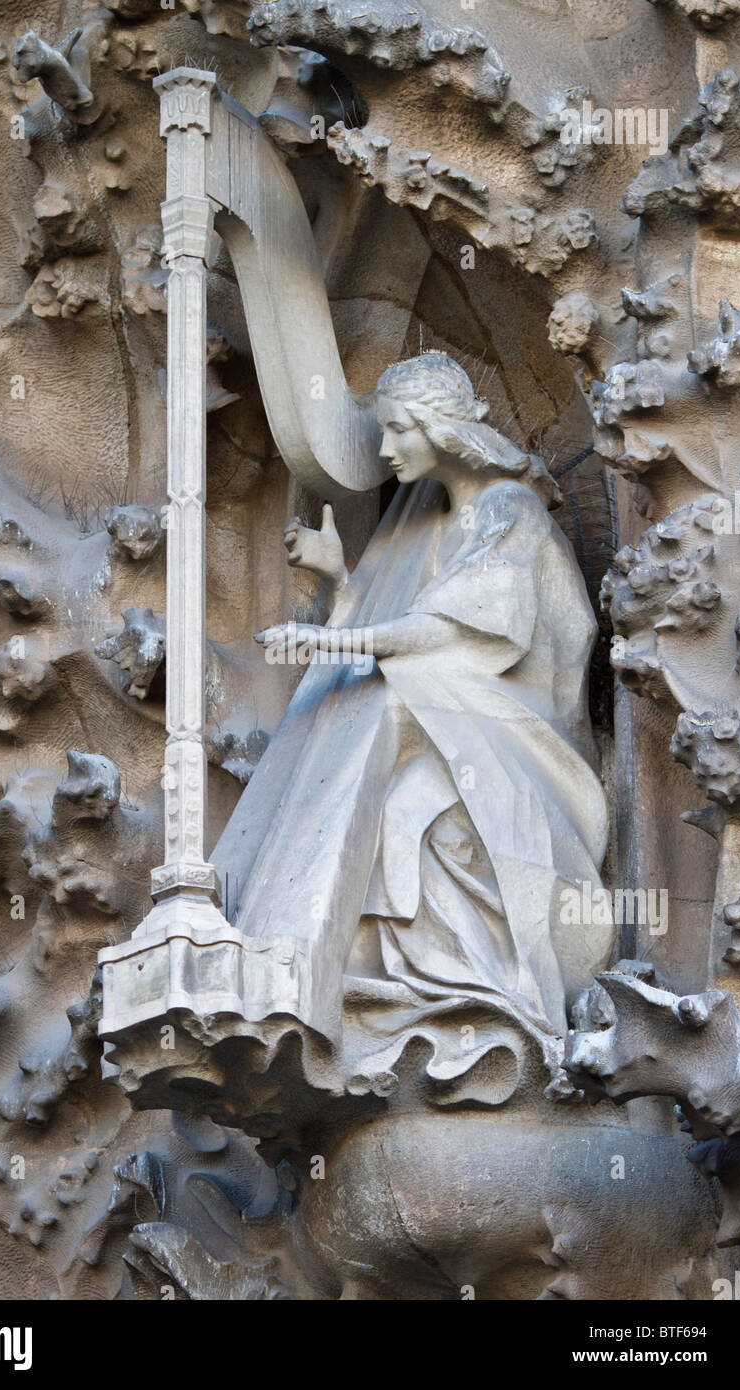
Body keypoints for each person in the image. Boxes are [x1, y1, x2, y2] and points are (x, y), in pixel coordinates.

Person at [212, 352, 612, 1110]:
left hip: (510, 735)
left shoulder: (508, 510)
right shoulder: (432, 523)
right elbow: (418, 625)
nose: (388, 451)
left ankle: (486, 992)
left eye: (399, 430)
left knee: (408, 772)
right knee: (398, 809)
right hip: (453, 722)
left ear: (441, 428)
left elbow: (468, 627)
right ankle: (398, 991)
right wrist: (343, 584)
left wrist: (341, 642)